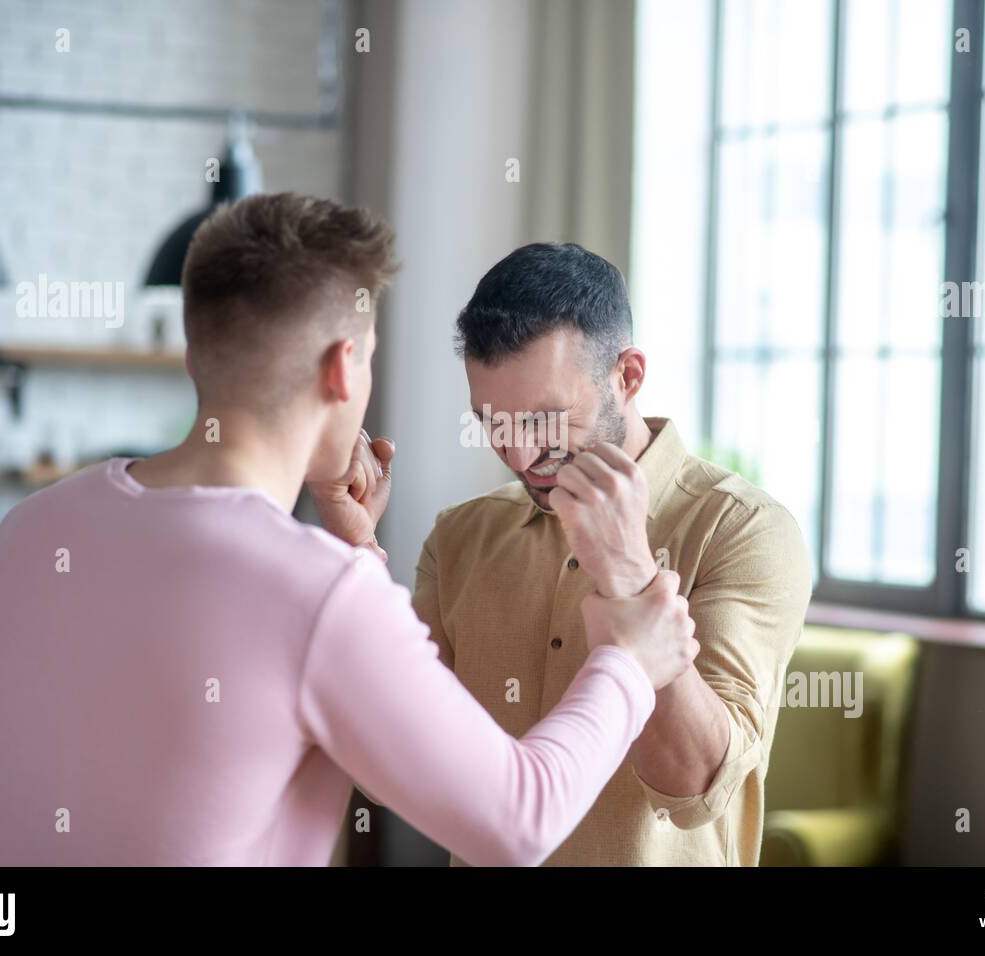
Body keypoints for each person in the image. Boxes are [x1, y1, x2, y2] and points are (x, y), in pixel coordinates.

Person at [0, 196, 697, 867]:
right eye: (370, 357)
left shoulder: (30, 530)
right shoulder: (319, 595)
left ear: (197, 358)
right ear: (344, 369)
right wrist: (630, 661)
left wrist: (354, 555)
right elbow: (520, 822)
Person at [320, 242, 813, 866]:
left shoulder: (743, 532)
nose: (521, 456)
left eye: (544, 421)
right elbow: (383, 767)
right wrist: (356, 550)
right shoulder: (461, 539)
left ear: (628, 376)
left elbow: (695, 791)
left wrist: (630, 577)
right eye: (493, 423)